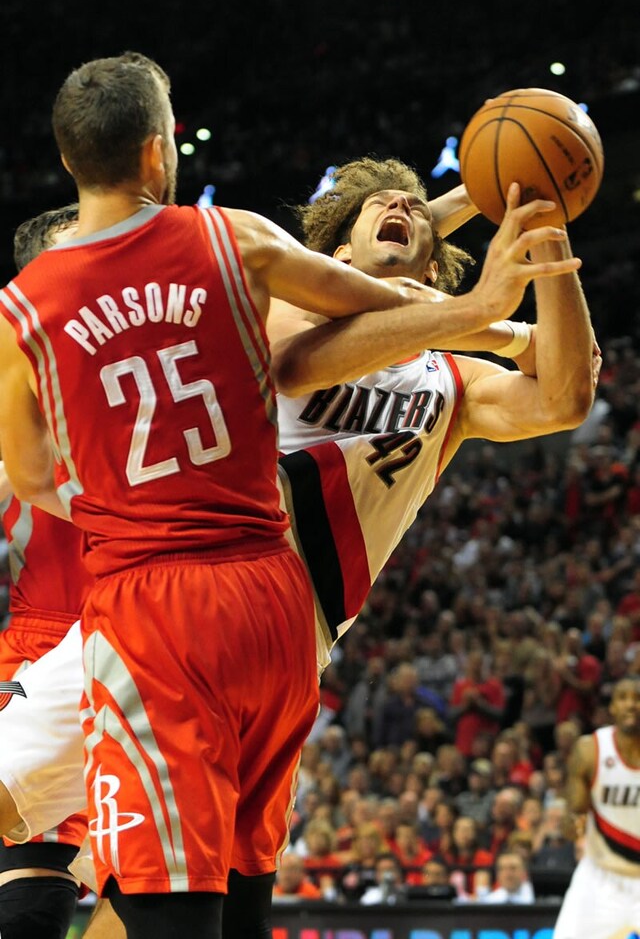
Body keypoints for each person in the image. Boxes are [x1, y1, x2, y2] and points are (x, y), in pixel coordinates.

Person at [0, 147, 594, 937]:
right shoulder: (282, 307)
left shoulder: (453, 383)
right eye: (379, 206)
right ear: (334, 256)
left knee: (173, 890)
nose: (404, 209)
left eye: (415, 210)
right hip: (176, 603)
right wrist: (481, 304)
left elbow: (563, 394)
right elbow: (290, 367)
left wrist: (550, 245)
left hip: (279, 647)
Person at [0, 206, 93, 939]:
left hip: (165, 631)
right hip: (47, 640)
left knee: (179, 882)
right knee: (33, 888)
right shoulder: (17, 390)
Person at [553, 677, 640, 938]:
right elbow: (575, 816)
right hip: (601, 876)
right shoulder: (590, 750)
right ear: (611, 707)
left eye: (637, 699)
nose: (631, 705)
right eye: (623, 698)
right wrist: (572, 824)